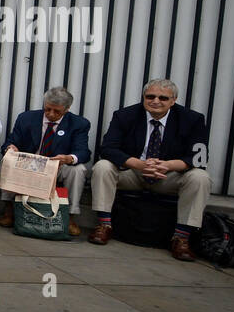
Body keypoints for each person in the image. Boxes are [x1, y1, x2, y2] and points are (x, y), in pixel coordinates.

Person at [89, 78, 211, 261]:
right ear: (143, 97)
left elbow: (199, 158)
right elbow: (107, 148)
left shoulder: (192, 119)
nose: (156, 101)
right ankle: (104, 225)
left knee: (200, 177)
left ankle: (181, 238)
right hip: (133, 173)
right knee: (102, 166)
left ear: (173, 100)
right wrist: (139, 164)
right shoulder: (125, 115)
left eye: (163, 98)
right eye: (150, 96)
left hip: (168, 175)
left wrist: (168, 165)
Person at [0, 86, 90, 236]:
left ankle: (70, 216)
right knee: (6, 160)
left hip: (57, 165)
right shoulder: (26, 118)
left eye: (57, 111)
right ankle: (9, 209)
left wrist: (68, 158)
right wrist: (10, 148)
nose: (51, 114)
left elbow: (83, 152)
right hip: (30, 164)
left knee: (78, 169)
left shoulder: (79, 124)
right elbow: (10, 142)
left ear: (66, 109)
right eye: (47, 109)